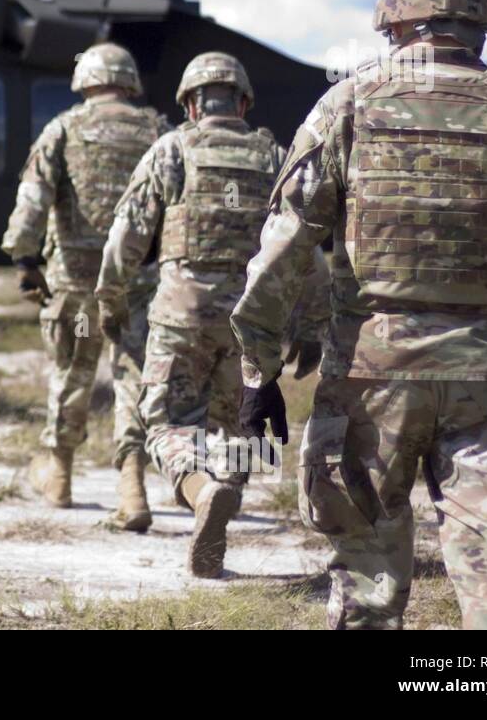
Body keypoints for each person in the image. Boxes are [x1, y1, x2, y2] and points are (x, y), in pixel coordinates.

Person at [231, 0, 487, 629]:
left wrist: (257, 370)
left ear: (394, 21)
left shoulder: (347, 105)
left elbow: (283, 250)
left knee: (367, 581)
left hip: (372, 377)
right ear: (482, 22)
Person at [97, 51, 324, 576]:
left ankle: (200, 494)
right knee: (239, 430)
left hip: (182, 317)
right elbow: (307, 248)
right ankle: (220, 496)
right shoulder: (274, 158)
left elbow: (124, 240)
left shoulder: (171, 150)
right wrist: (313, 325)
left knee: (168, 424)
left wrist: (110, 302)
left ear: (191, 104)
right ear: (243, 102)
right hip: (254, 324)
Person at [1, 43, 170, 527]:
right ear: (130, 80)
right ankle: (132, 486)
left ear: (85, 81)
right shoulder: (158, 131)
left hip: (74, 282)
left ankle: (60, 476)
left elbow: (33, 198)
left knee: (72, 374)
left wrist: (24, 258)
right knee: (133, 380)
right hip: (138, 281)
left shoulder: (63, 128)